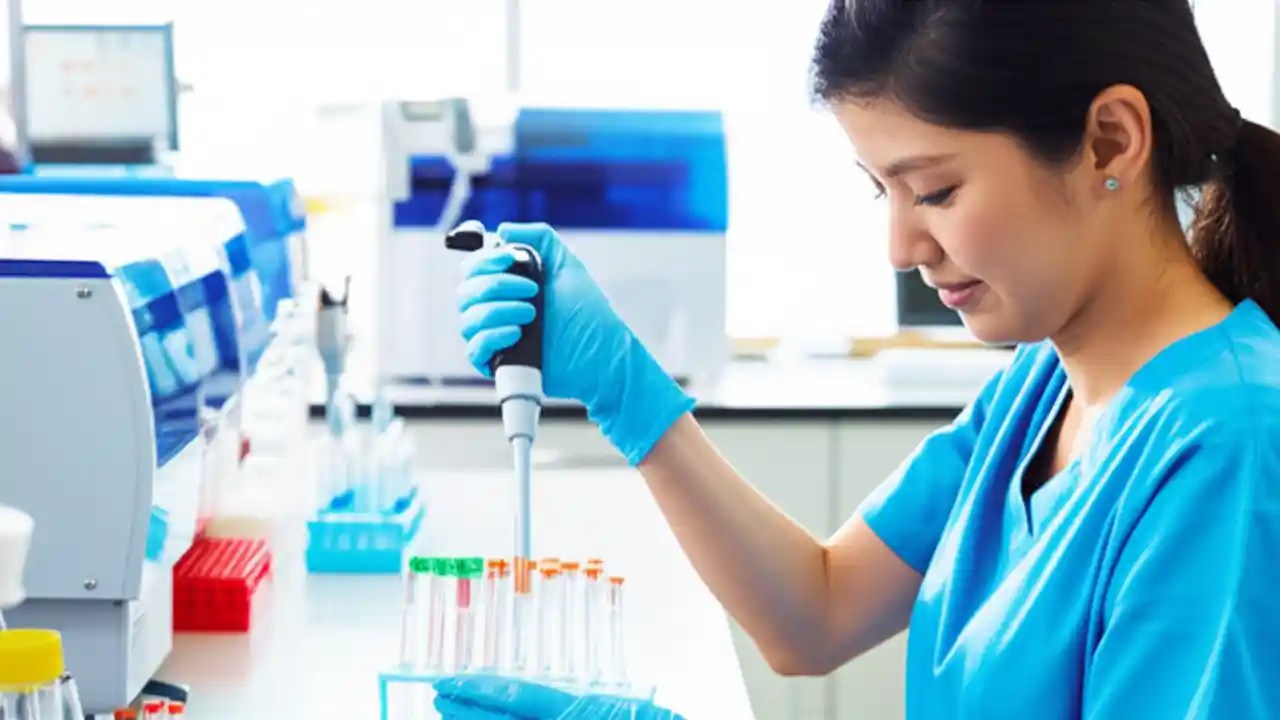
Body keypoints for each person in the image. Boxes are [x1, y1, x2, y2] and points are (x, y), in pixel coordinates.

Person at [433, 1, 1280, 718]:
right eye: (884, 191)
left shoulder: (1226, 448)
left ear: (1109, 141)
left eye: (936, 191)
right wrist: (630, 395)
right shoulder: (1042, 387)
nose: (901, 244)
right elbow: (818, 610)